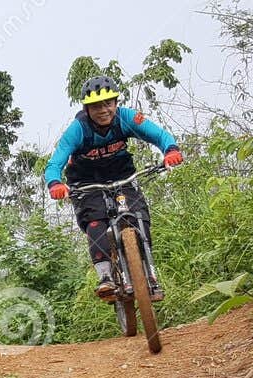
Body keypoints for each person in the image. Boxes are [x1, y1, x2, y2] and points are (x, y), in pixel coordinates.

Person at [44, 75, 184, 301]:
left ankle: (148, 273)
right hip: (86, 181)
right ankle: (105, 276)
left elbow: (159, 134)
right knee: (95, 221)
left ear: (116, 103)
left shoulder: (126, 118)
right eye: (96, 106)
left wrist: (171, 149)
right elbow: (55, 163)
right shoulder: (78, 129)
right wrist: (55, 183)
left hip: (122, 175)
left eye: (108, 103)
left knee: (138, 214)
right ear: (87, 108)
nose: (104, 110)